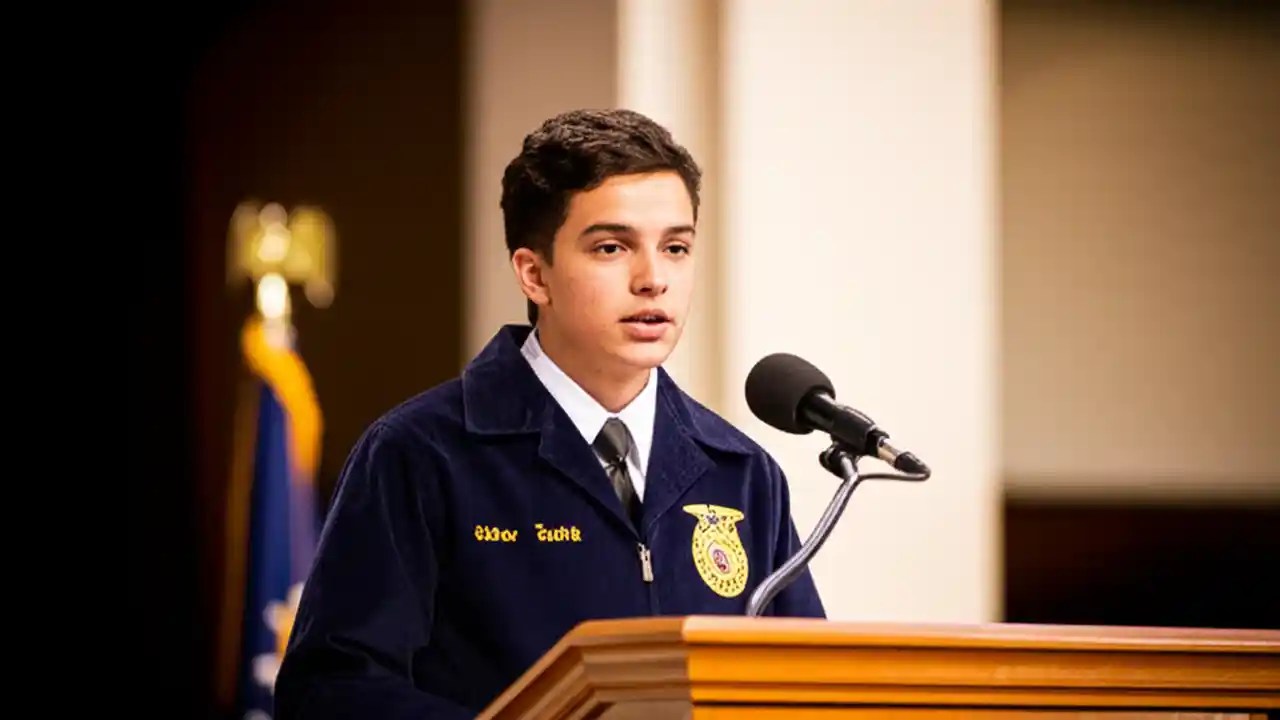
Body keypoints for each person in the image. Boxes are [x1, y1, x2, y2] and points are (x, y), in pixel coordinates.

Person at [274, 108, 825, 720]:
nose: (653, 280)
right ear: (534, 274)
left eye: (676, 247)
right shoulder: (422, 453)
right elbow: (332, 689)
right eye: (612, 248)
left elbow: (803, 687)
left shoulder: (741, 472)